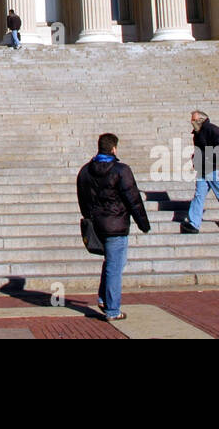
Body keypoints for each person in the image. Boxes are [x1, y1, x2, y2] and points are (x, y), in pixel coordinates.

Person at [76, 133, 150, 321]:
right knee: (115, 266)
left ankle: (103, 298)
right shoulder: (121, 170)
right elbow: (133, 199)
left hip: (97, 223)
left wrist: (89, 217)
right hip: (116, 224)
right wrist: (143, 224)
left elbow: (82, 198)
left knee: (111, 263)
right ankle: (112, 309)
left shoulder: (85, 170)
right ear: (114, 148)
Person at [180, 111, 219, 233]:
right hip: (203, 169)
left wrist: (209, 157)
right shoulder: (197, 133)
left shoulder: (212, 129)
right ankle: (194, 224)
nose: (192, 122)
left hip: (213, 169)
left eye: (194, 120)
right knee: (199, 196)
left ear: (202, 119)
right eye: (192, 120)